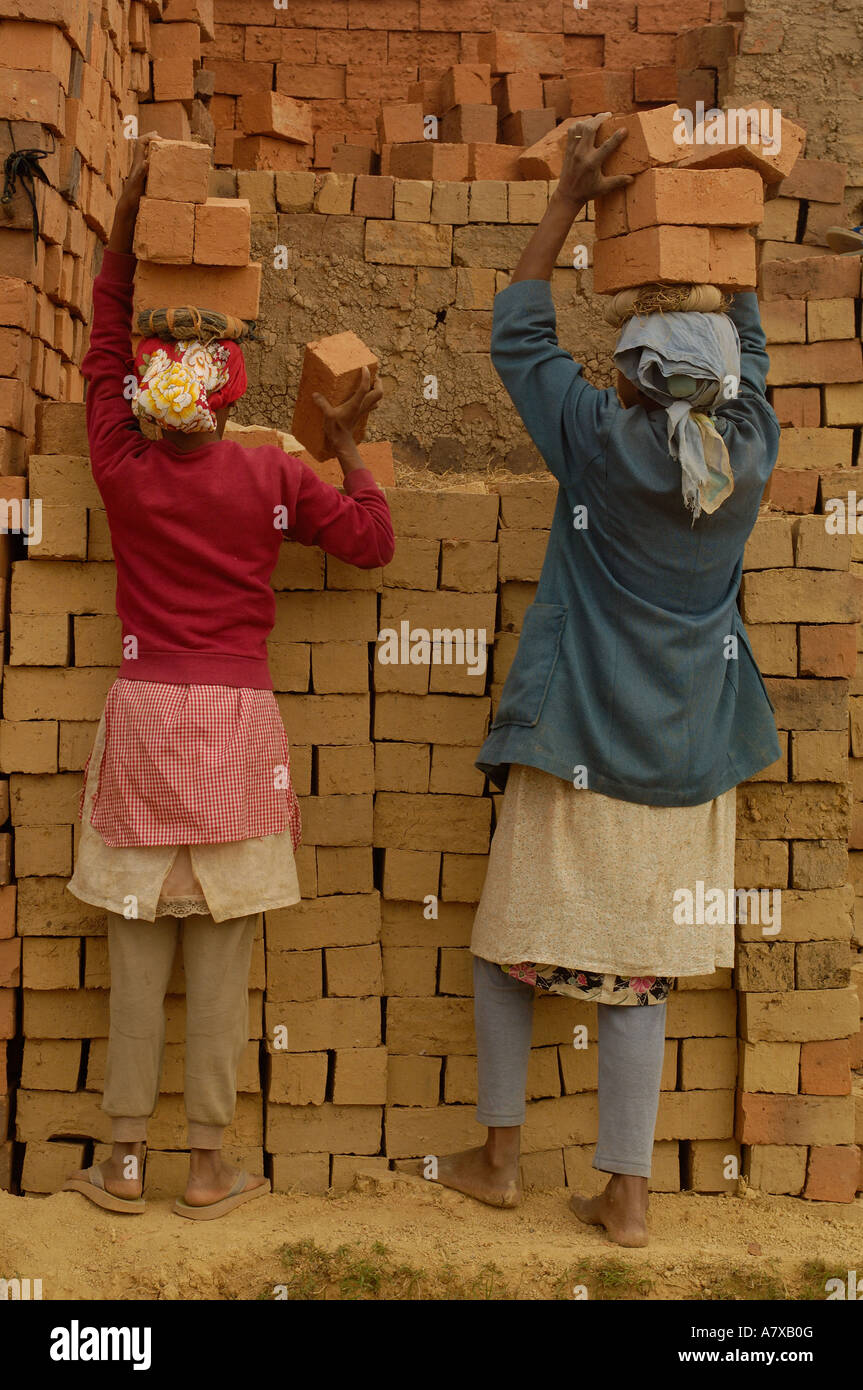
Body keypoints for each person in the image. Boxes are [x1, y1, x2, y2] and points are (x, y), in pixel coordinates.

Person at [432, 115, 781, 1247]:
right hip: (682, 763)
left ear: (629, 375)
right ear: (722, 382)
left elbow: (519, 338)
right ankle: (625, 1195)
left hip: (577, 741)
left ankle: (495, 1158)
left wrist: (570, 199)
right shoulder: (752, 454)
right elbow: (753, 359)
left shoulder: (595, 439)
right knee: (637, 976)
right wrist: (722, 233)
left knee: (507, 941)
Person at [61, 136, 395, 1219]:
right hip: (239, 722)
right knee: (220, 943)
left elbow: (102, 358)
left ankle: (120, 1160)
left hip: (148, 709)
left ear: (153, 393)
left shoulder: (122, 464)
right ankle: (207, 1166)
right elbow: (374, 543)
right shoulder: (268, 472)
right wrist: (345, 445)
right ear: (230, 384)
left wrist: (121, 240)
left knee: (134, 940)